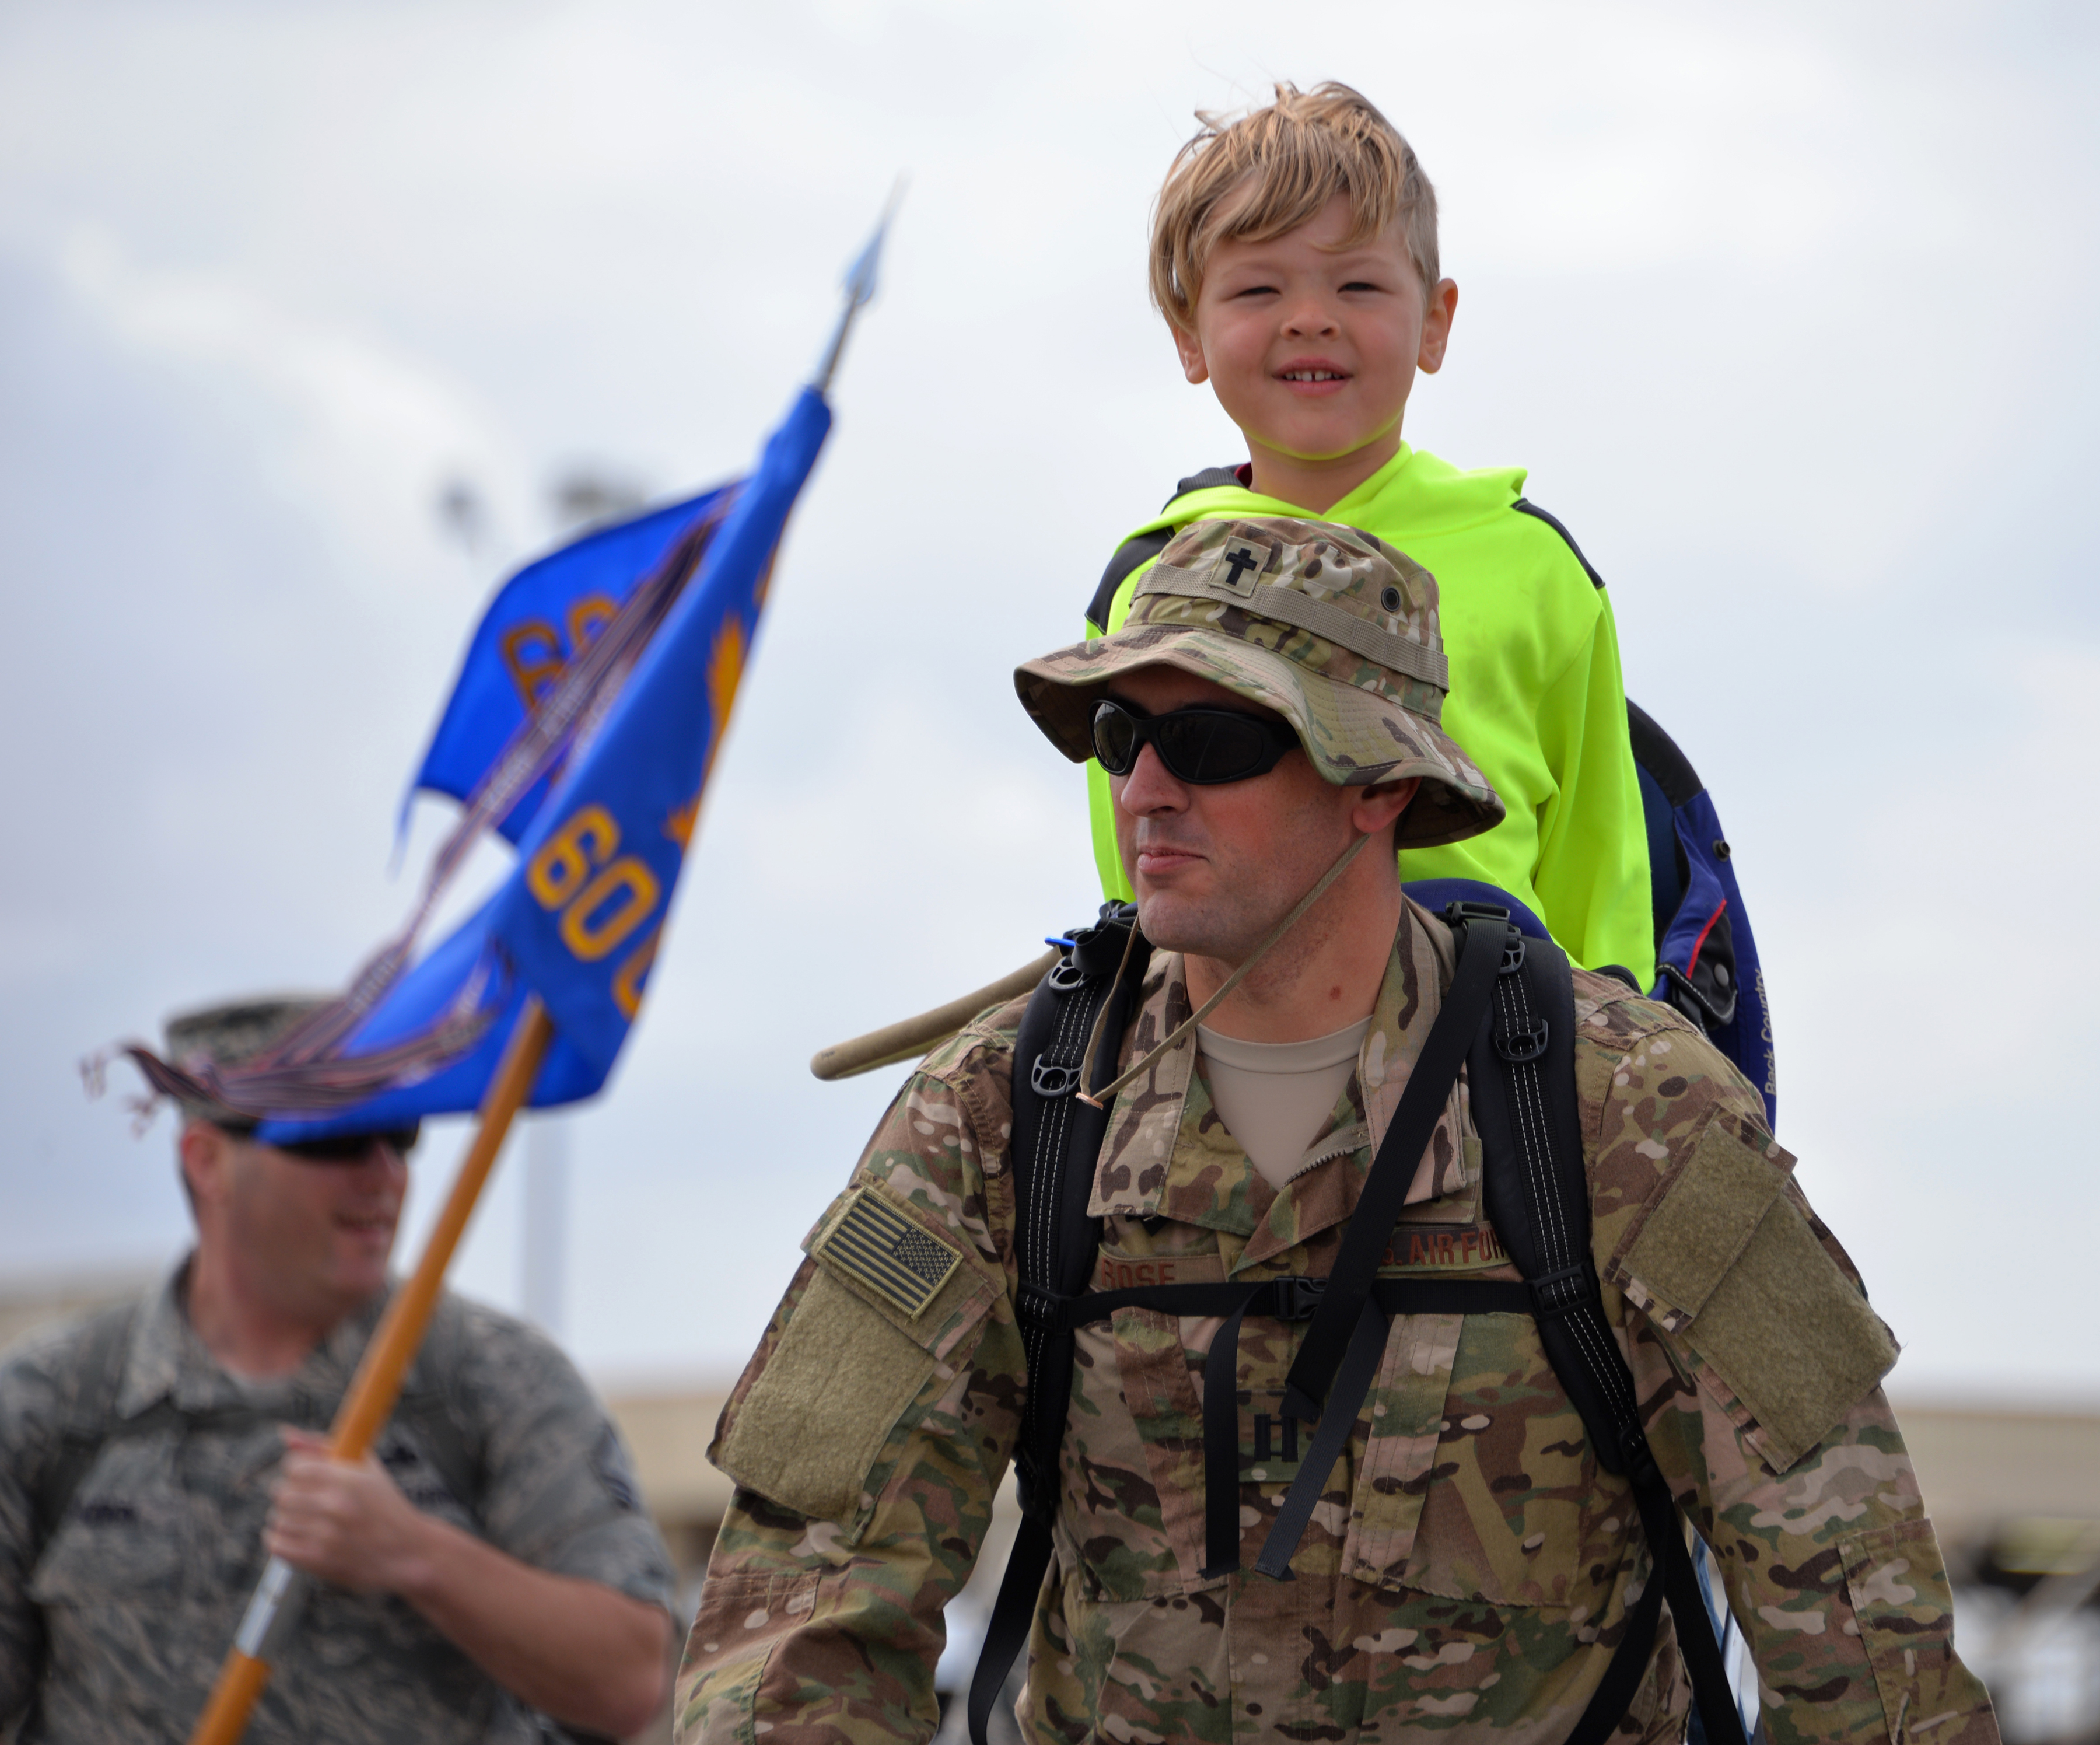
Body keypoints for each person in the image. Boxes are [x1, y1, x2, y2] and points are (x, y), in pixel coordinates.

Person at [673, 517, 1994, 1745]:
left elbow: (1863, 1624)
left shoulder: (1621, 1111)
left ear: (1378, 784)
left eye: (1214, 742)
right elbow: (802, 1613)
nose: (1145, 789)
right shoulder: (1000, 1114)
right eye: (1123, 734)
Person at [1084, 81, 1656, 989]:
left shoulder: (1535, 564)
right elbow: (1139, 872)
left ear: (1435, 321)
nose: (1311, 317)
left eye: (1357, 284)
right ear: (1190, 333)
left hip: (1488, 1043)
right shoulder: (1144, 582)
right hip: (1236, 1041)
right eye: (1258, 287)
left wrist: (1604, 1038)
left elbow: (1601, 865)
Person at [0, 997, 678, 1744]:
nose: (385, 1174)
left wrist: (417, 1554)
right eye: (339, 1139)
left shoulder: (493, 1380)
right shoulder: (53, 1405)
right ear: (207, 1160)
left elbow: (631, 1680)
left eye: (401, 1135)